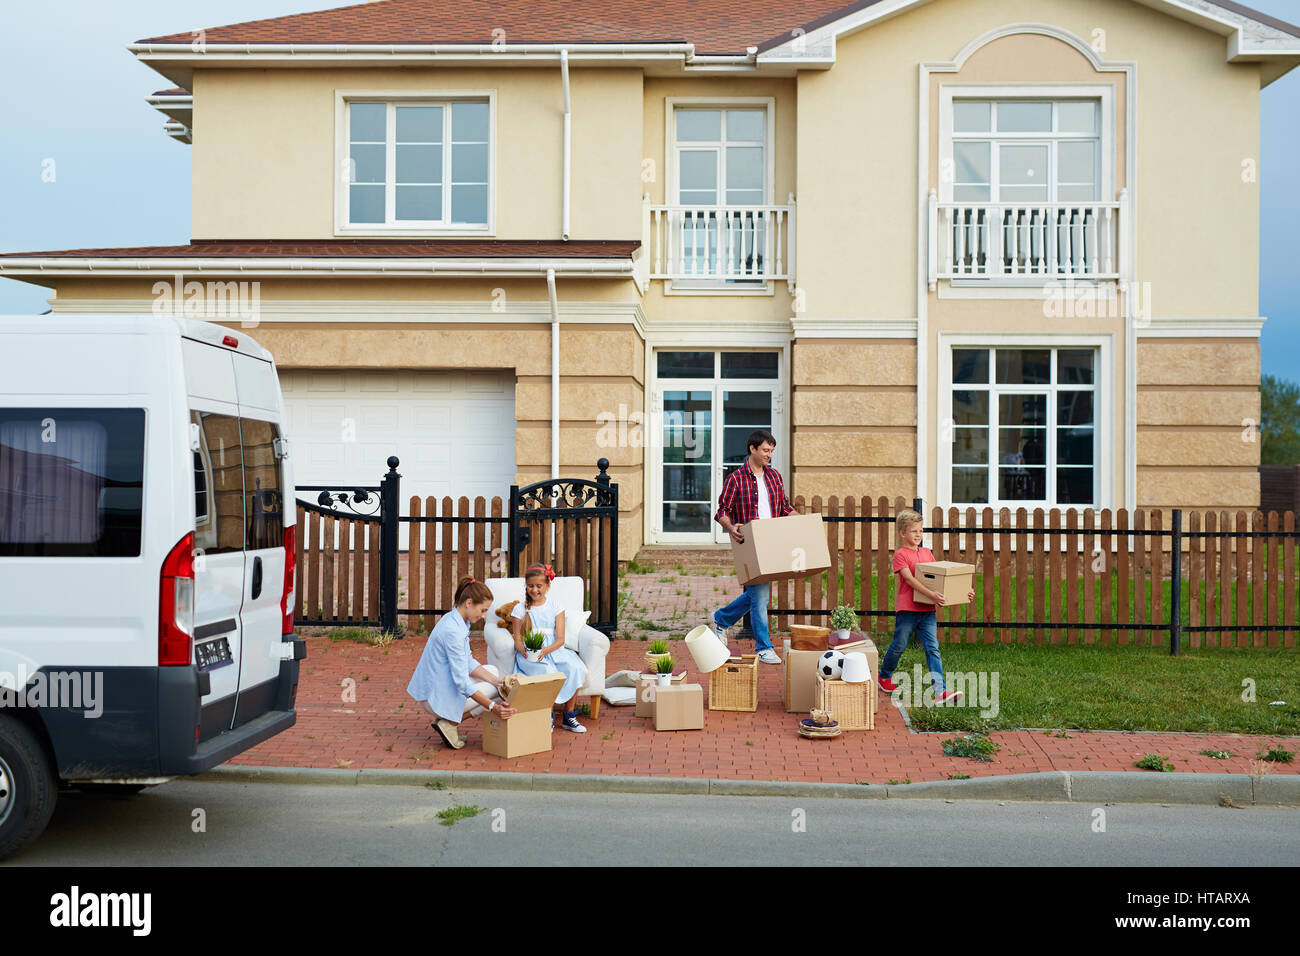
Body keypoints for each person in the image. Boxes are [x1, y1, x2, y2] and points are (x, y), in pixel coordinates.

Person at [710, 428, 796, 665]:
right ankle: (763, 647)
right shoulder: (736, 478)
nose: (770, 455)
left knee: (757, 595)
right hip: (750, 543)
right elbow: (722, 511)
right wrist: (731, 528)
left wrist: (801, 521)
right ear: (753, 449)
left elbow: (785, 507)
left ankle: (721, 619)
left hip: (772, 541)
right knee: (759, 597)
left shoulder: (775, 476)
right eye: (766, 450)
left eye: (772, 451)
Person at [407, 576, 516, 750]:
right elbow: (461, 683)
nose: (483, 615)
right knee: (496, 693)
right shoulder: (453, 631)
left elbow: (467, 662)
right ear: (469, 603)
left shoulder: (456, 620)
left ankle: (449, 724)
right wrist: (494, 707)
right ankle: (450, 723)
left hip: (438, 684)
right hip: (433, 697)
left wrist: (497, 681)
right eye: (483, 610)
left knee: (494, 675)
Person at [877, 510, 973, 704]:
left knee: (933, 649)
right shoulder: (900, 555)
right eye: (913, 531)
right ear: (902, 533)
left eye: (920, 530)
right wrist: (932, 595)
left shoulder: (927, 553)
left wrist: (965, 591)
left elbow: (940, 577)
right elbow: (910, 580)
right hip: (908, 610)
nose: (918, 535)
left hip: (927, 611)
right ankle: (884, 676)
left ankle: (940, 691)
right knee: (899, 645)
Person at [510, 564, 589, 733]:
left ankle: (569, 715)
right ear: (526, 586)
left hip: (553, 649)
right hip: (531, 653)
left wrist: (547, 650)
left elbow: (560, 639)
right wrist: (522, 649)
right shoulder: (519, 609)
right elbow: (516, 637)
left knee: (575, 668)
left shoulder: (555, 606)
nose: (535, 590)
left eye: (539, 586)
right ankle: (549, 715)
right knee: (547, 672)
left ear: (547, 586)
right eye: (531, 586)